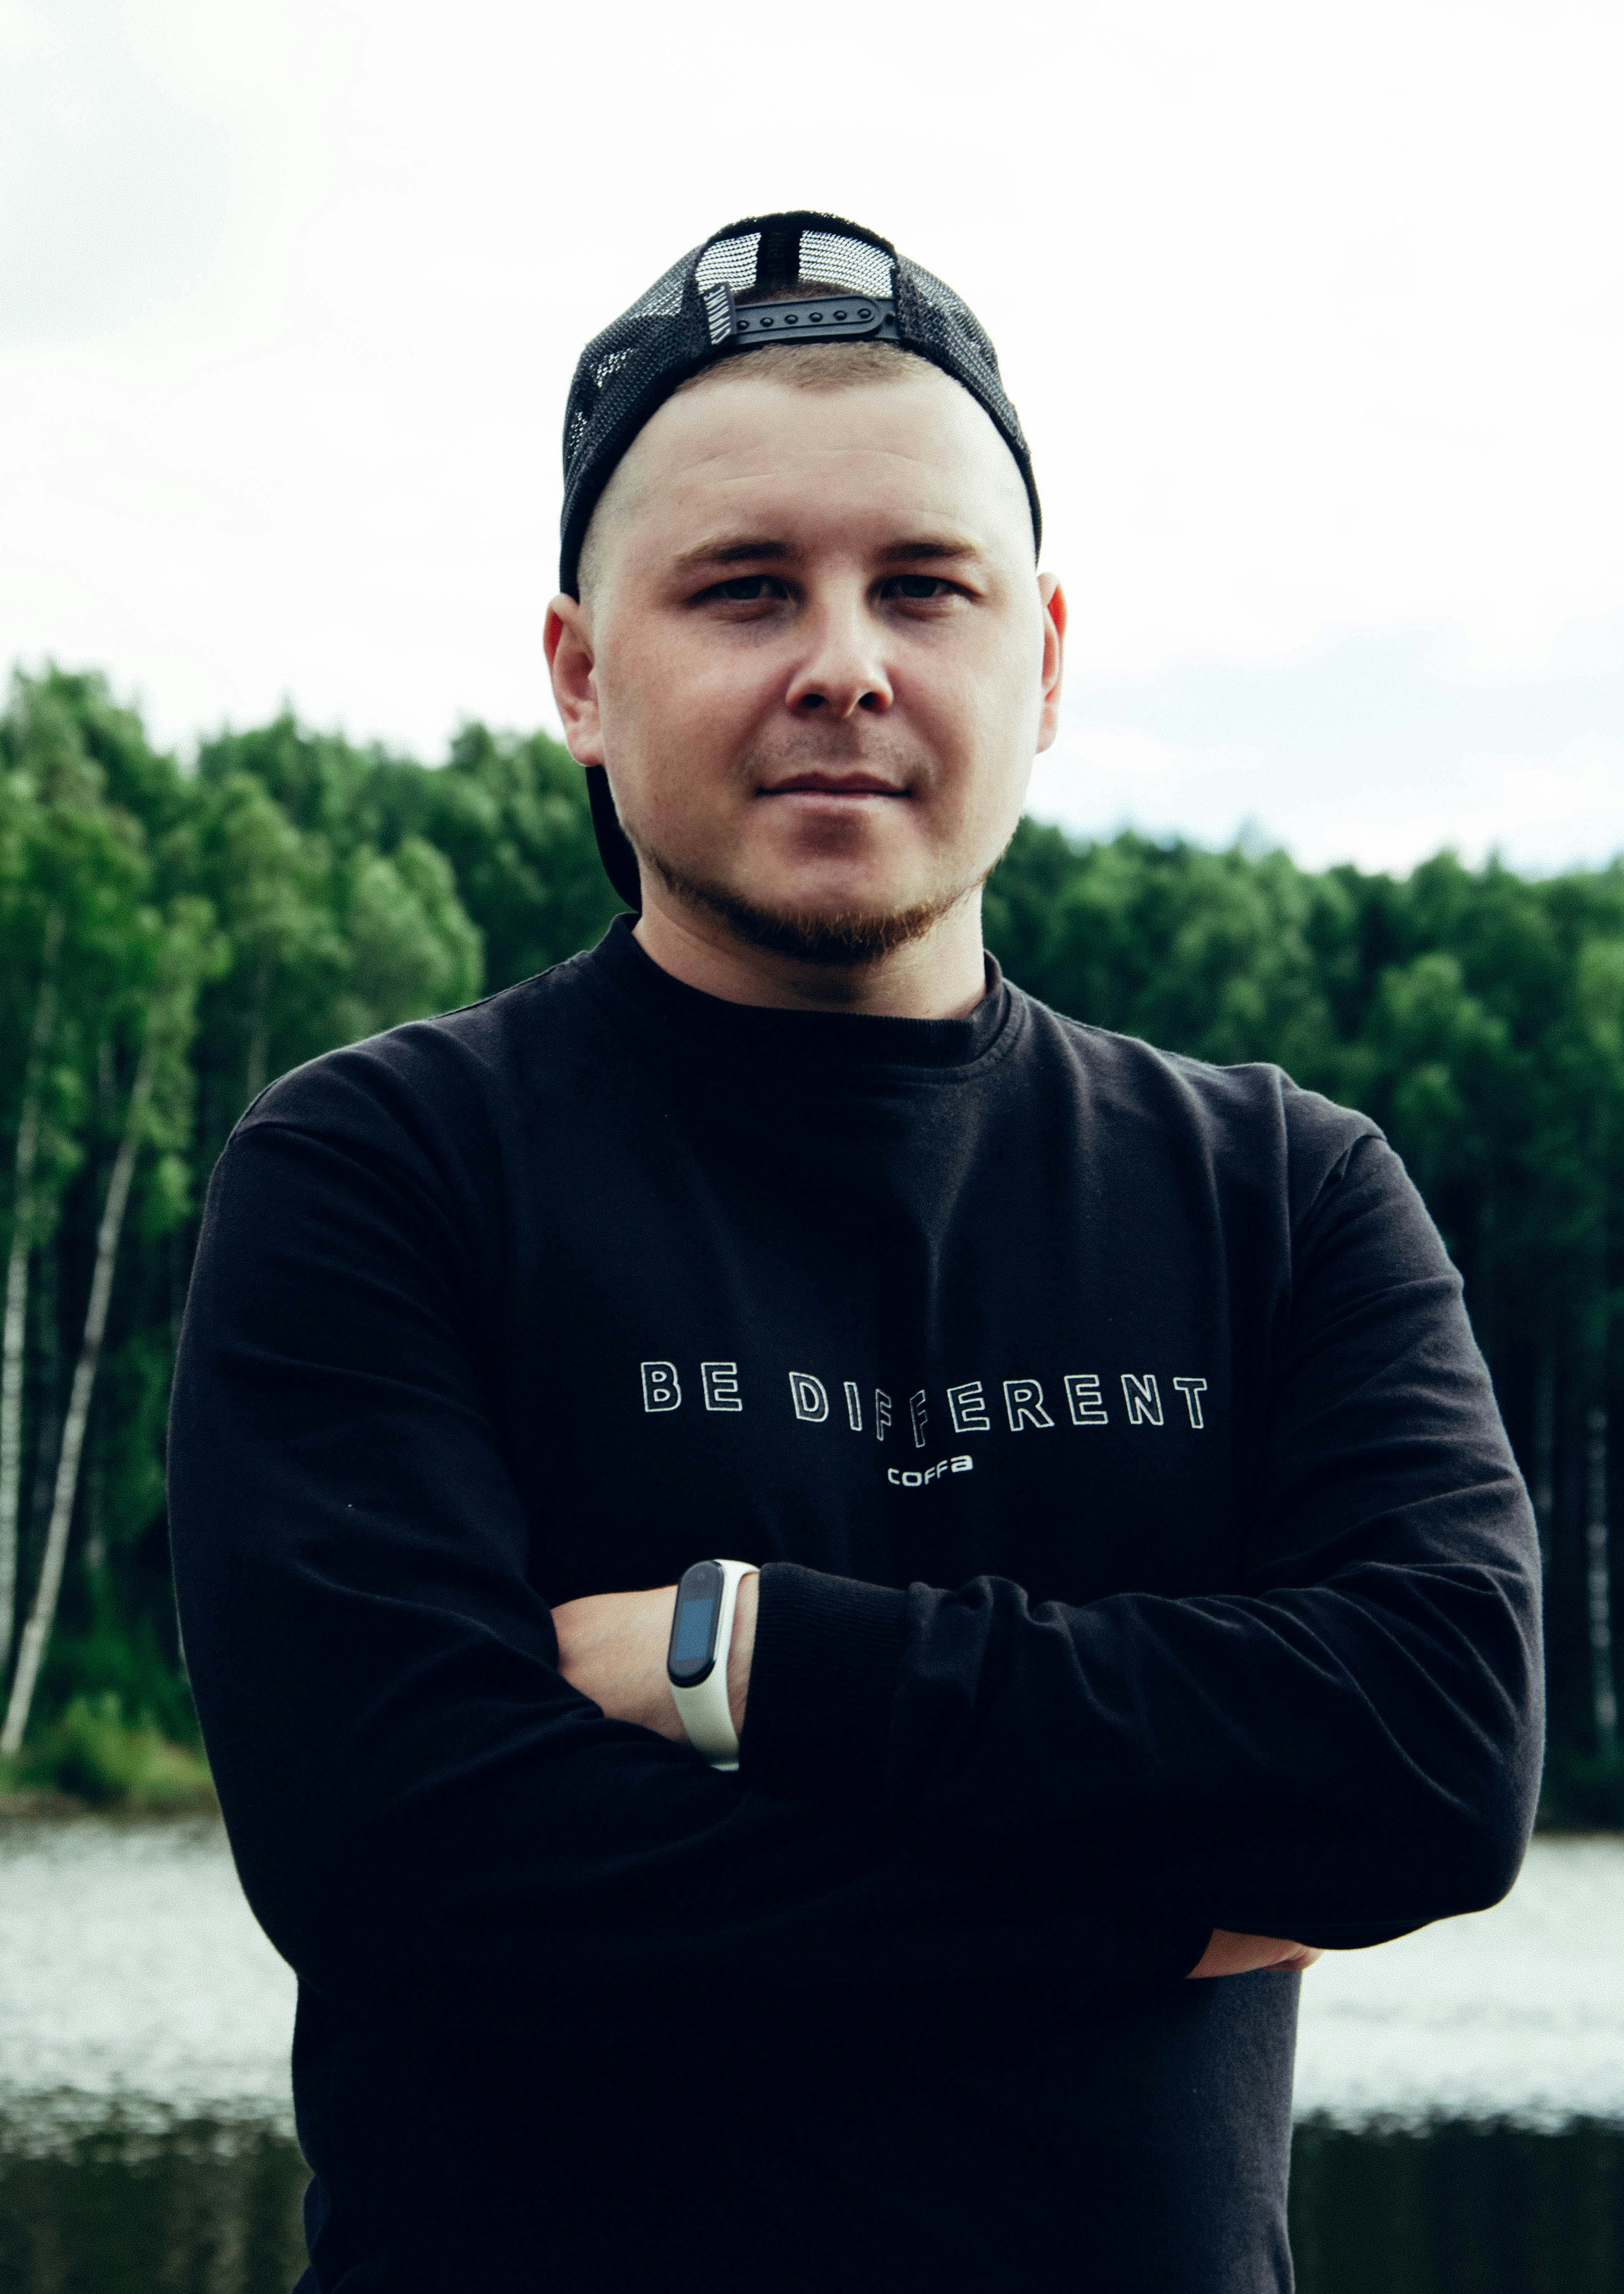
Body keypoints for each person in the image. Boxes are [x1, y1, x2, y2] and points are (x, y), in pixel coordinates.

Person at [168, 211, 1543, 2294]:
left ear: (1046, 658)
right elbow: (424, 1871)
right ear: (579, 676)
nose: (842, 659)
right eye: (743, 588)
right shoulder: (381, 1169)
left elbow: (1435, 1753)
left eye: (922, 585)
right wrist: (1182, 1892)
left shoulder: (1281, 1189)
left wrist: (757, 1659)